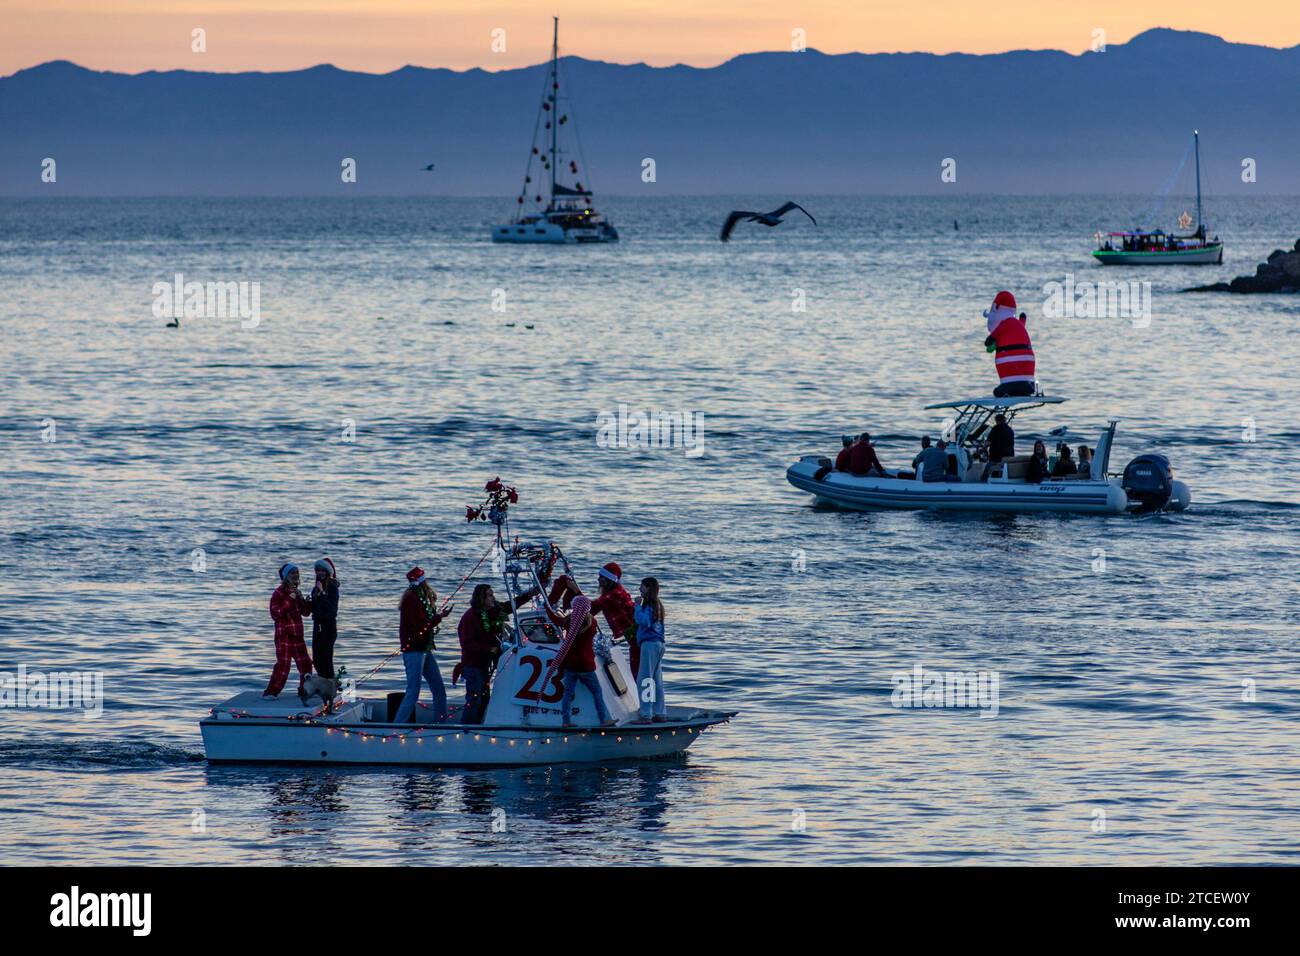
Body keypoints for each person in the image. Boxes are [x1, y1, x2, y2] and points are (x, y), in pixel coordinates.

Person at [456, 581, 537, 724]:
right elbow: (467, 644)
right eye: (489, 596)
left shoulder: (494, 611)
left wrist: (529, 595)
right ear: (481, 599)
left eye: (492, 595)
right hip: (473, 665)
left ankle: (478, 725)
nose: (493, 598)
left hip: (485, 664)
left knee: (485, 697)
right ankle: (466, 729)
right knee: (474, 699)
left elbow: (509, 606)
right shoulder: (470, 617)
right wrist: (488, 649)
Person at [549, 562, 638, 676]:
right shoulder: (615, 592)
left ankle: (550, 604)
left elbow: (591, 608)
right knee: (641, 674)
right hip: (634, 638)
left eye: (601, 577)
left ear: (609, 580)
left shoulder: (614, 595)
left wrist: (575, 590)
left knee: (639, 674)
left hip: (637, 640)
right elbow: (591, 610)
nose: (598, 579)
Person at [395, 567, 452, 723]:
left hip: (425, 648)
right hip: (414, 650)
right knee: (413, 691)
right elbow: (422, 625)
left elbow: (426, 622)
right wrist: (439, 617)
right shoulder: (411, 600)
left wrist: (438, 616)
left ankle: (441, 724)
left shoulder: (420, 598)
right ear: (422, 582)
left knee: (439, 688)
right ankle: (397, 726)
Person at [551, 595, 614, 728]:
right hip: (586, 666)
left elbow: (556, 620)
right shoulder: (592, 623)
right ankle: (603, 720)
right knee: (596, 691)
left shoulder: (569, 621)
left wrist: (547, 607)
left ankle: (566, 721)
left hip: (571, 666)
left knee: (567, 693)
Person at [264, 563, 313, 699]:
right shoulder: (278, 593)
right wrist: (290, 599)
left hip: (297, 635)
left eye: (297, 572)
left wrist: (305, 601)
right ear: (285, 577)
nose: (296, 575)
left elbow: (306, 613)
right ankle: (271, 692)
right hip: (283, 635)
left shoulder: (297, 592)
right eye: (292, 573)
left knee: (306, 664)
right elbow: (276, 614)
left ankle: (304, 691)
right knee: (283, 665)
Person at [982, 291, 1036, 397]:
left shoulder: (1006, 323)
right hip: (1028, 377)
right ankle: (1026, 385)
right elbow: (1021, 325)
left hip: (1010, 379)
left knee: (1000, 391)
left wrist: (990, 339)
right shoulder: (1016, 324)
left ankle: (1009, 385)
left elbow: (989, 341)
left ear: (997, 308)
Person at [632, 577, 667, 723]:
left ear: (648, 588)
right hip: (658, 643)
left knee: (645, 679)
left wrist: (637, 606)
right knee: (656, 680)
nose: (640, 589)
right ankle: (659, 712)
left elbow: (643, 621)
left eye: (642, 586)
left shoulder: (649, 605)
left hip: (650, 644)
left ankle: (646, 714)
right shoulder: (658, 604)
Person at [309, 558, 340, 679]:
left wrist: (322, 593)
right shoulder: (316, 587)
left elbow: (331, 609)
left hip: (328, 625)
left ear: (328, 572)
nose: (320, 572)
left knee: (326, 658)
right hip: (317, 625)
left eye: (323, 570)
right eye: (318, 570)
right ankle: (324, 684)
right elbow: (315, 608)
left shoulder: (332, 586)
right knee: (317, 659)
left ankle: (331, 685)